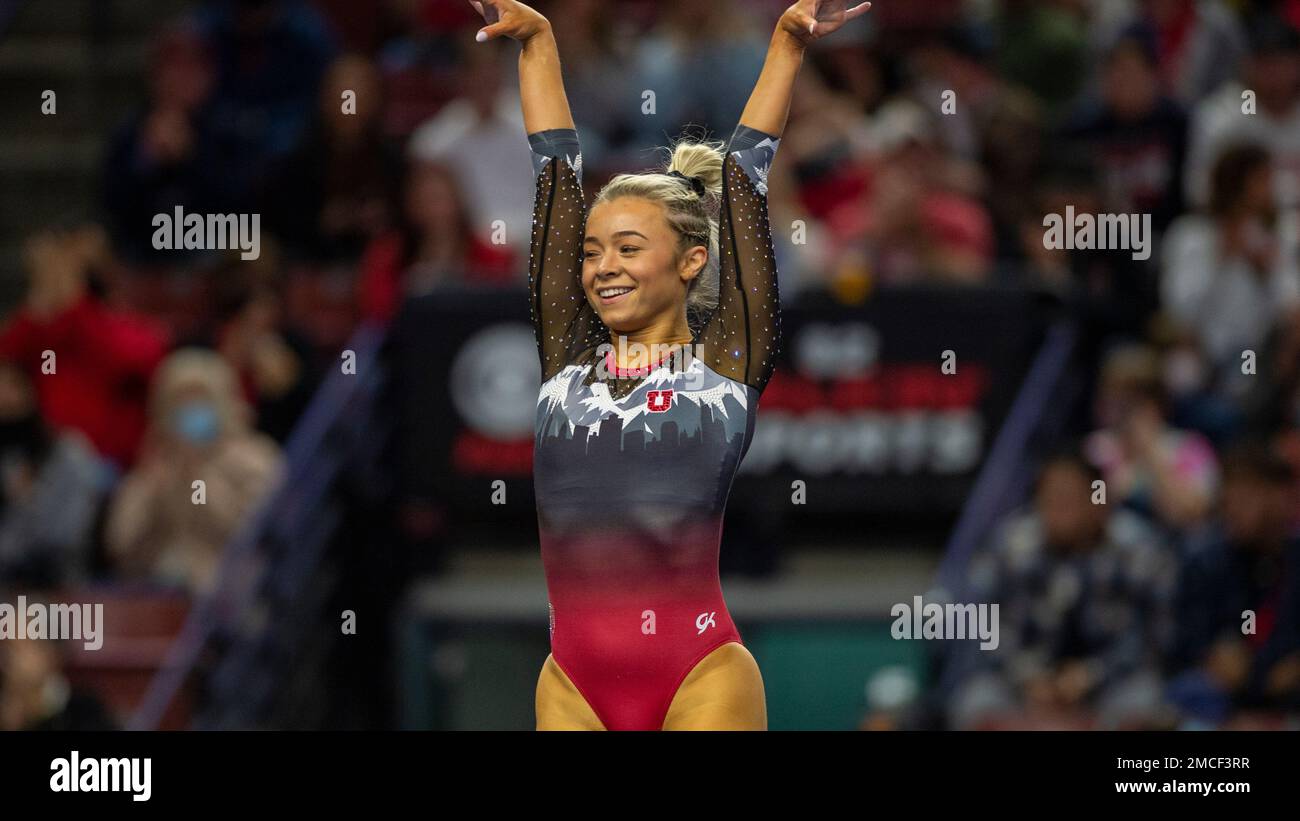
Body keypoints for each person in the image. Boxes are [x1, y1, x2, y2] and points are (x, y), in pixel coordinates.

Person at [470, 0, 873, 730]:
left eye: (628, 248)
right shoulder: (565, 360)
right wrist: (538, 44)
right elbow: (555, 175)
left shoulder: (723, 369)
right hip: (571, 680)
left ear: (691, 261)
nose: (602, 268)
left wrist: (784, 45)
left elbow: (745, 178)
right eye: (592, 252)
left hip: (699, 672)